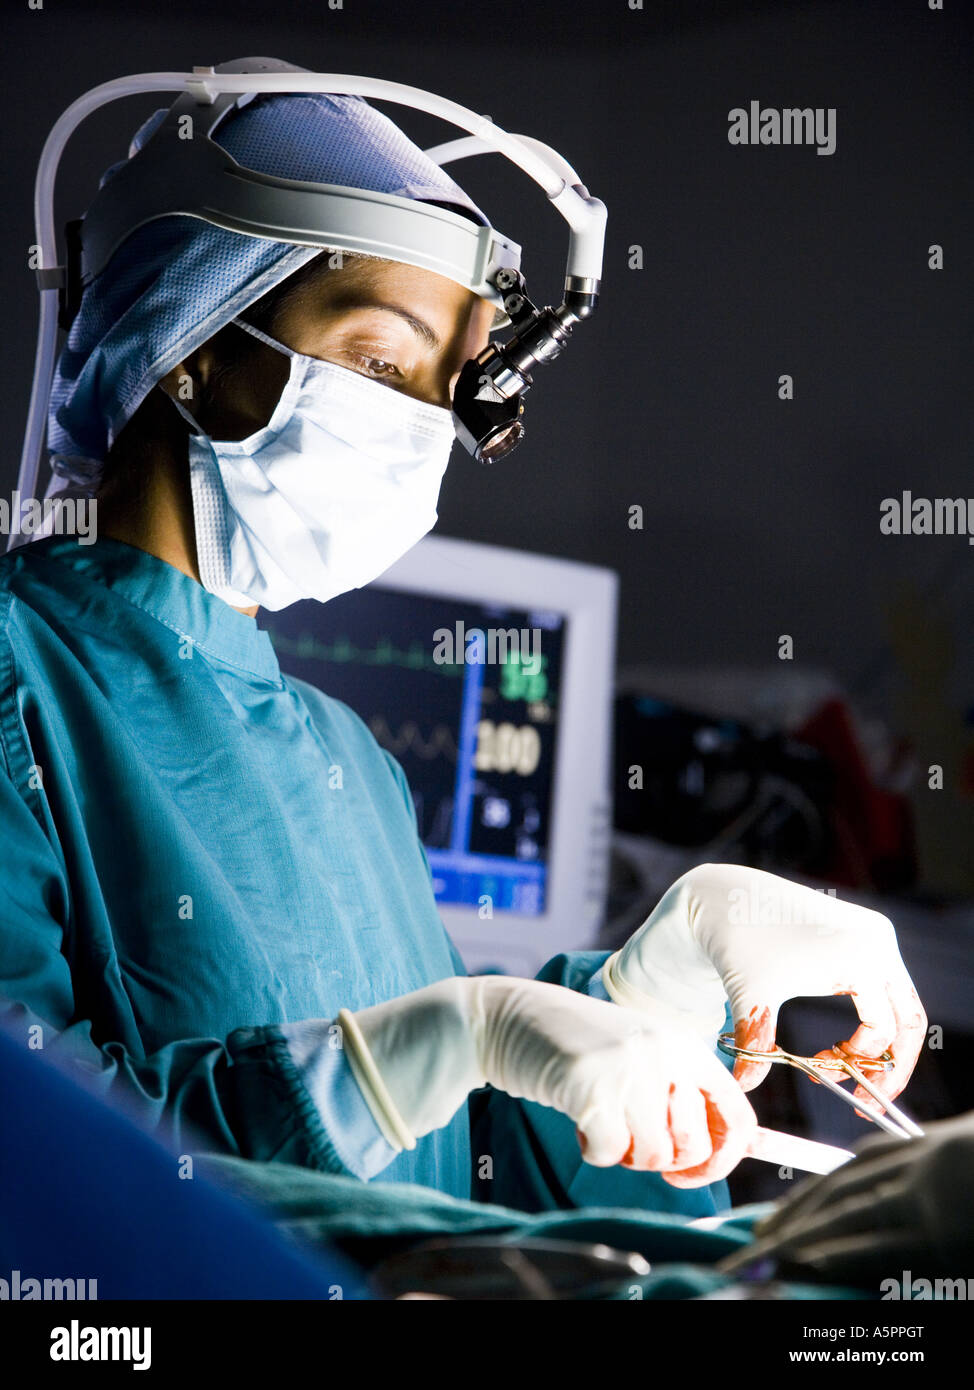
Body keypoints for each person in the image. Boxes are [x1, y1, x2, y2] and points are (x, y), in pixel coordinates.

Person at [0, 79, 927, 1223]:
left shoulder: (345, 762)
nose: (414, 434)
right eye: (382, 364)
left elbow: (462, 1157)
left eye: (441, 391)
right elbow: (38, 1168)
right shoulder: (21, 681)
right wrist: (448, 1035)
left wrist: (651, 987)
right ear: (185, 344)